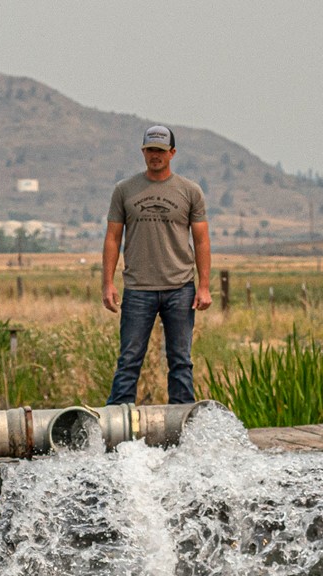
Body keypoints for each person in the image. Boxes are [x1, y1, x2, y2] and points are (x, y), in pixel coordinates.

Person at [102, 125, 211, 405]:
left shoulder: (190, 191)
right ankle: (117, 426)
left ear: (172, 153)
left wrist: (205, 287)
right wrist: (108, 283)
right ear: (143, 152)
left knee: (181, 361)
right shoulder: (124, 190)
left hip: (180, 289)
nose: (155, 156)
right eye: (151, 150)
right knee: (129, 360)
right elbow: (113, 237)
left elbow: (201, 240)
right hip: (139, 288)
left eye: (161, 151)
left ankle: (183, 424)